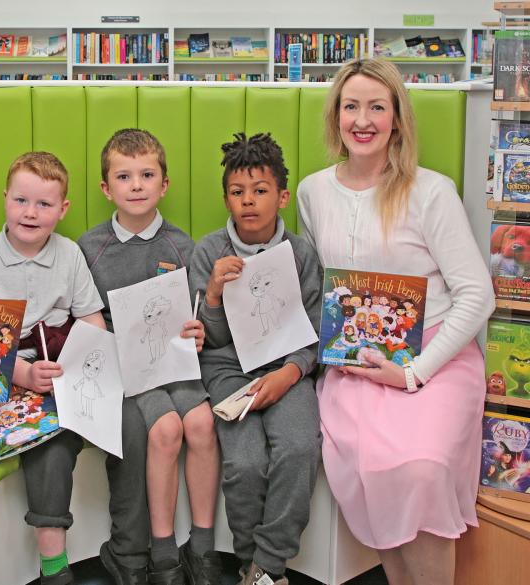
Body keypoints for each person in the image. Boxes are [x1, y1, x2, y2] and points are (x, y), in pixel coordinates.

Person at [296, 58, 495, 585]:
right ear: (335, 115)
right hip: (355, 363)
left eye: (377, 107)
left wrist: (414, 372)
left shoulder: (431, 191)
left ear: (397, 118)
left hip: (435, 358)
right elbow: (318, 285)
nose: (363, 120)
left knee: (420, 465)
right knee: (368, 461)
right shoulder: (313, 192)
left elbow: (477, 295)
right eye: (351, 106)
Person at [79, 128, 221, 585]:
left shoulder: (183, 246)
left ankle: (201, 547)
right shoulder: (90, 248)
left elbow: (199, 317)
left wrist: (199, 332)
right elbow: (87, 323)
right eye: (124, 176)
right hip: (127, 371)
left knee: (200, 423)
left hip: (176, 363)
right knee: (165, 428)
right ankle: (162, 555)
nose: (136, 185)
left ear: (165, 184)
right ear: (106, 188)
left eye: (146, 174)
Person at [189, 132, 322, 585]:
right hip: (228, 371)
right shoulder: (208, 252)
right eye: (237, 192)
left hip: (286, 369)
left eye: (260, 191)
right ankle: (250, 563)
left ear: (282, 196)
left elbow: (315, 330)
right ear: (226, 198)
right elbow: (207, 340)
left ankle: (267, 565)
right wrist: (212, 294)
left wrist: (289, 375)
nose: (248, 202)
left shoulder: (301, 254)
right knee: (244, 463)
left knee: (299, 448)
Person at [0, 151, 106, 585]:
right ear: (5, 200)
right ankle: (53, 569)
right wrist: (21, 376)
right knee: (33, 439)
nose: (30, 213)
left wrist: (80, 367)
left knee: (55, 445)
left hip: (60, 377)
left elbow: (92, 319)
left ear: (62, 209)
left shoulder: (69, 256)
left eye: (44, 204)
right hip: (7, 377)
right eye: (20, 201)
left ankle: (57, 567)